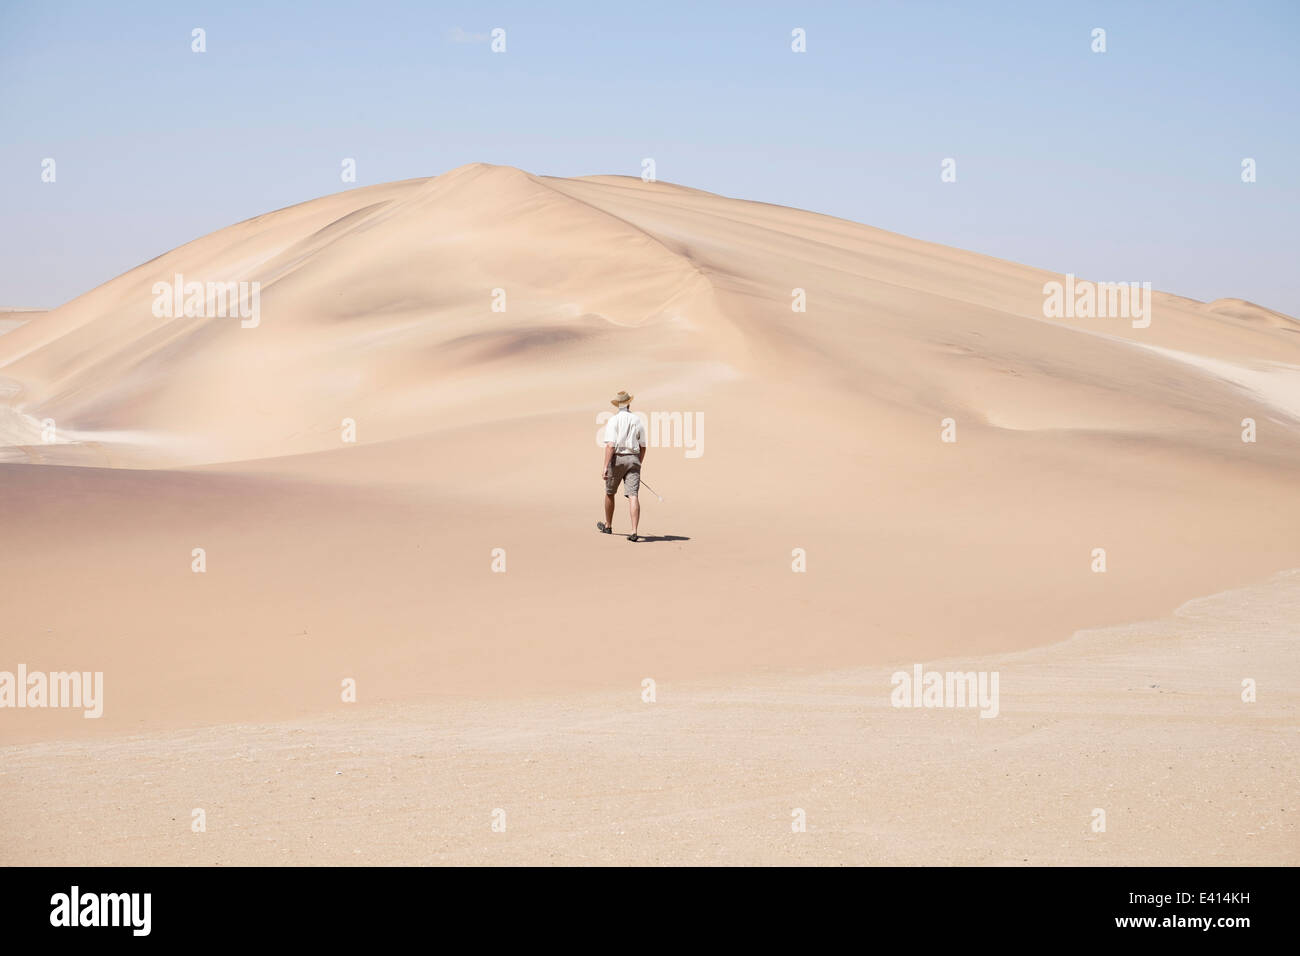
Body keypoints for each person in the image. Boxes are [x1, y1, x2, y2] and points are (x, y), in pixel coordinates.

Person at [597, 390, 647, 542]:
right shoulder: (637, 420)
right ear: (629, 403)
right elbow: (643, 446)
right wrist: (638, 462)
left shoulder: (613, 420)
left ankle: (608, 525)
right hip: (633, 459)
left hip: (617, 459)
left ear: (618, 405)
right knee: (633, 495)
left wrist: (605, 466)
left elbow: (610, 446)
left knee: (610, 492)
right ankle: (634, 531)